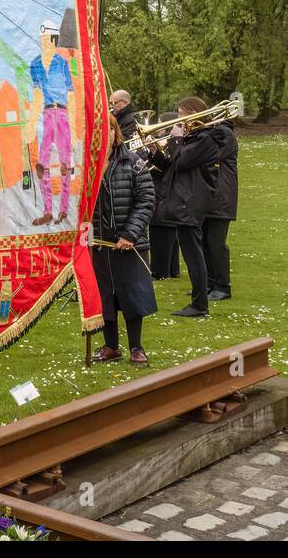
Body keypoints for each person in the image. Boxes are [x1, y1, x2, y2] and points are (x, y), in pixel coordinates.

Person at [91, 115, 157, 364]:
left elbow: (146, 199)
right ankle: (110, 347)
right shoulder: (88, 166)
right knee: (104, 296)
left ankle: (136, 348)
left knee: (132, 296)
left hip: (130, 243)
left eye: (107, 129)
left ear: (115, 132)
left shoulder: (134, 162)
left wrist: (130, 234)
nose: (102, 135)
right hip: (99, 244)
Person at [148, 96, 220, 318]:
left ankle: (200, 304)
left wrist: (176, 140)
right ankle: (199, 301)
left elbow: (182, 162)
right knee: (190, 253)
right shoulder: (192, 138)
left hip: (191, 201)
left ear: (193, 113)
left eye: (182, 114)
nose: (178, 119)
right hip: (182, 200)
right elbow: (171, 167)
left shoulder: (205, 138)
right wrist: (155, 152)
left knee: (193, 254)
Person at [26, 20, 76, 226]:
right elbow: (37, 95)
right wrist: (30, 123)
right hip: (47, 115)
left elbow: (71, 93)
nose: (47, 43)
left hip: (62, 114)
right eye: (43, 39)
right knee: (42, 164)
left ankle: (63, 209)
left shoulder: (62, 63)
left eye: (50, 39)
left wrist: (71, 121)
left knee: (64, 164)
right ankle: (48, 210)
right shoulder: (35, 64)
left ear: (54, 40)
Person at [203, 116, 238, 302]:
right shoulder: (210, 133)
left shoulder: (225, 133)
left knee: (216, 244)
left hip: (221, 198)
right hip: (208, 197)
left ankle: (223, 286)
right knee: (204, 243)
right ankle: (209, 283)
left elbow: (210, 155)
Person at [147, 111, 181, 279]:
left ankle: (159, 271)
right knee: (170, 235)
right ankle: (172, 269)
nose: (157, 128)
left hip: (162, 191)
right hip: (165, 191)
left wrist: (153, 153)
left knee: (160, 230)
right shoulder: (168, 142)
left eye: (160, 124)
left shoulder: (170, 142)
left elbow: (166, 166)